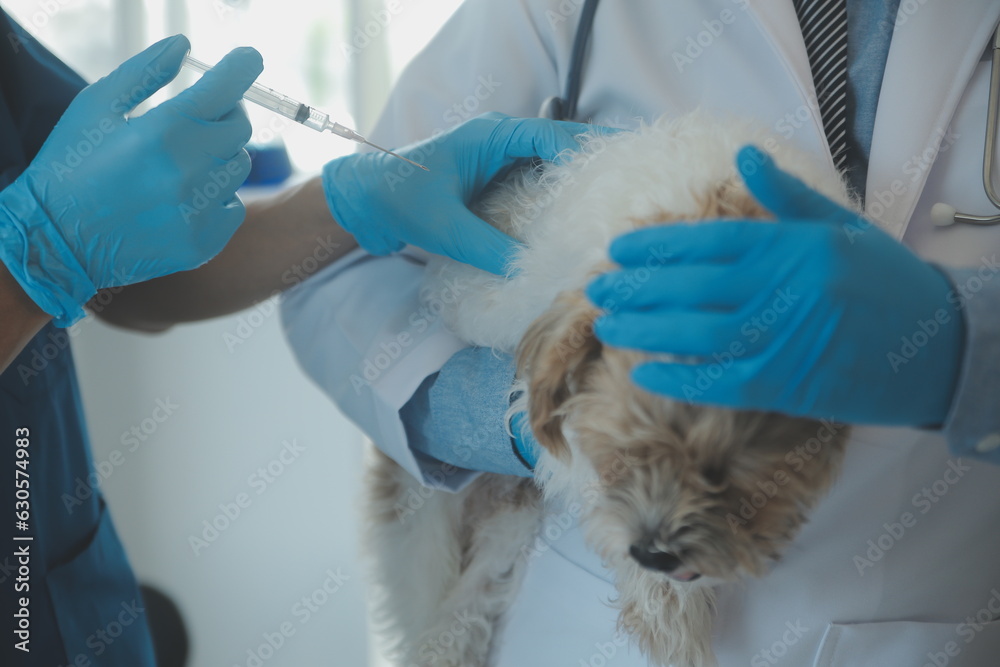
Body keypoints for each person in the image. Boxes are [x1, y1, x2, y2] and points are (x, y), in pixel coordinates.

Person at [281, 1, 1000, 665]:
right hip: (586, 628)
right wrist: (533, 419)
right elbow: (328, 269)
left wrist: (966, 350)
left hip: (938, 617)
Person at [0, 9, 593, 665]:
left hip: (58, 586)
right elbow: (73, 246)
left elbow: (127, 279)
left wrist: (345, 202)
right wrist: (38, 257)